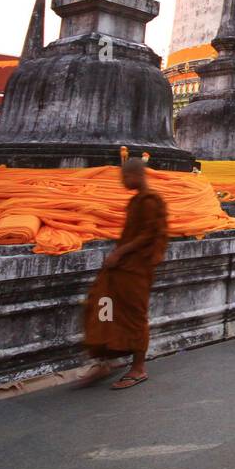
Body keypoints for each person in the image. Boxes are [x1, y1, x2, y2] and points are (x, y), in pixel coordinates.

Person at [76, 159, 168, 391]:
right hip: (123, 268)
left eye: (125, 177)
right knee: (103, 306)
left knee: (135, 316)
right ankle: (105, 358)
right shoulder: (136, 200)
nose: (123, 182)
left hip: (136, 268)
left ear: (137, 175)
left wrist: (120, 252)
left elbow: (148, 235)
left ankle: (138, 368)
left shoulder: (150, 201)